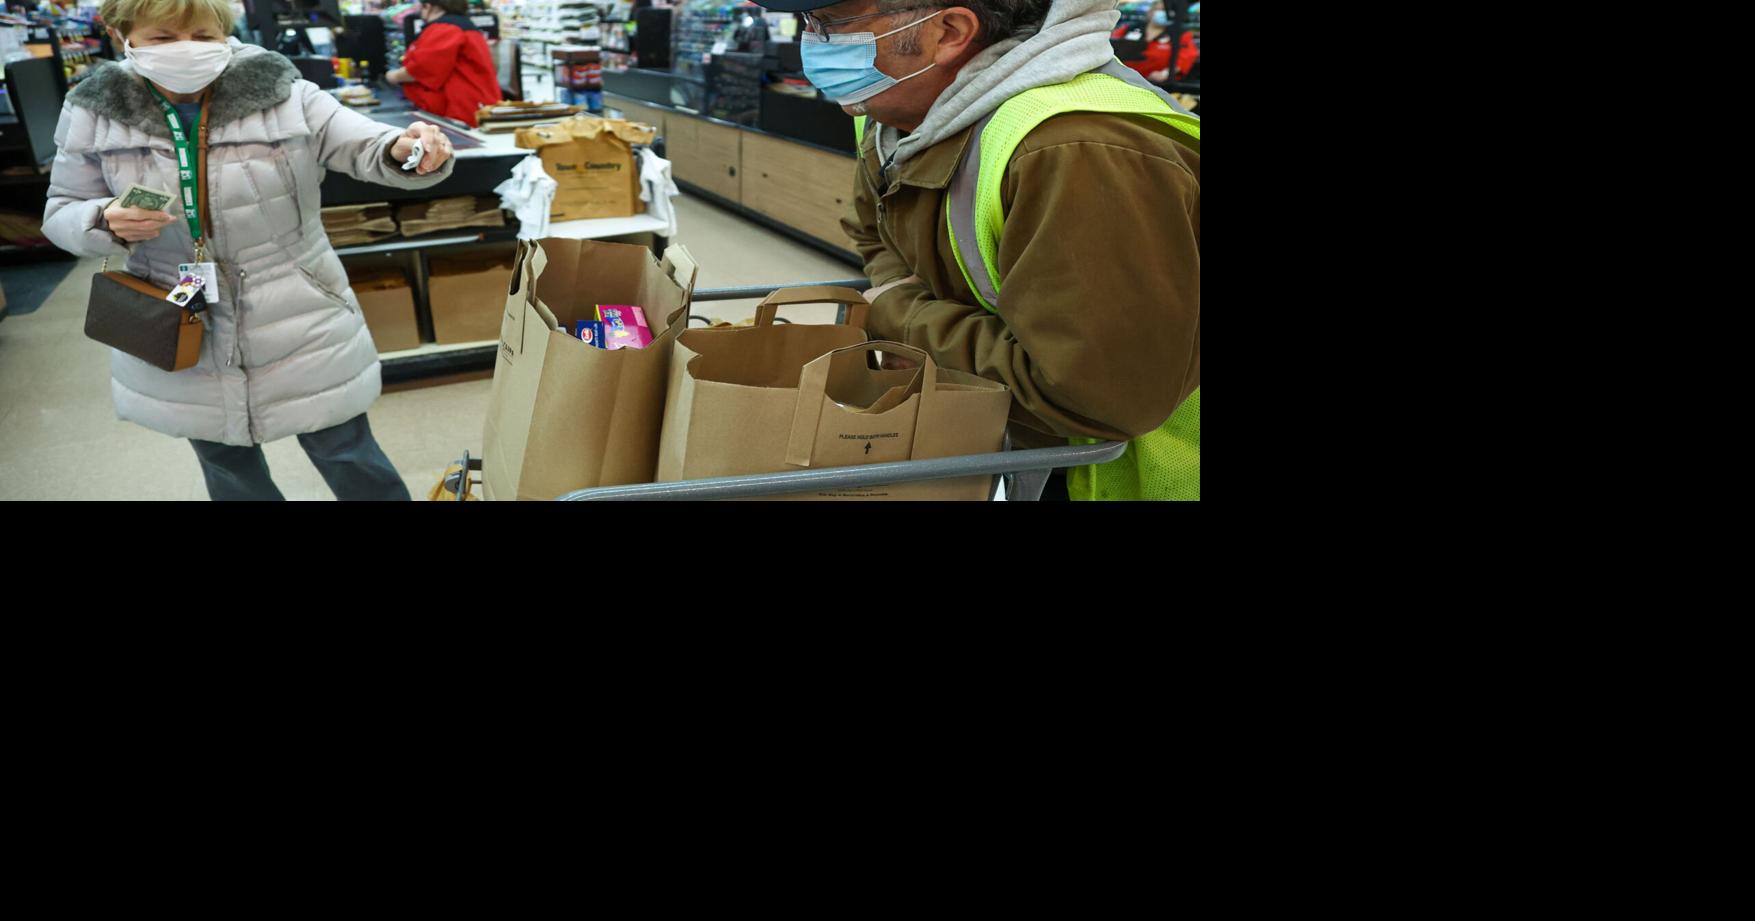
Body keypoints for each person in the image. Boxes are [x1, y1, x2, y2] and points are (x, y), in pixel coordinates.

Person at [764, 0, 1199, 500]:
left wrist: (898, 315)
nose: (811, 41)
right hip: (994, 447)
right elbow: (873, 233)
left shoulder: (1080, 151)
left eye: (833, 23)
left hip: (1103, 473)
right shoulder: (893, 114)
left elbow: (1098, 399)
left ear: (949, 31)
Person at [43, 0, 458, 501]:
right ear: (121, 34)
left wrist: (409, 148)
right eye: (163, 38)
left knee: (345, 448)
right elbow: (62, 209)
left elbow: (368, 144)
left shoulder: (282, 92)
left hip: (297, 306)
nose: (187, 50)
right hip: (175, 311)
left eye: (202, 35)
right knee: (226, 463)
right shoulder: (94, 109)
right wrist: (102, 219)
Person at [385, 0, 502, 127]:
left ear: (429, 6)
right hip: (477, 106)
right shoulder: (464, 26)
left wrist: (393, 76)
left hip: (461, 112)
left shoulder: (445, 29)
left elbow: (421, 69)